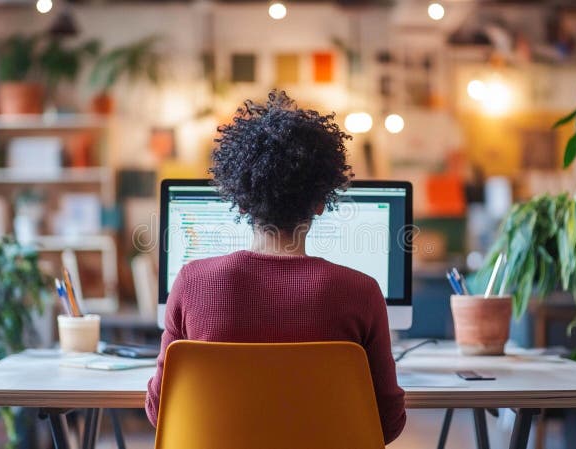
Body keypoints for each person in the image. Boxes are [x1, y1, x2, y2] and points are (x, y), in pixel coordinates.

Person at [146, 90, 406, 444]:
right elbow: (388, 423)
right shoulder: (361, 291)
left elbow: (161, 411)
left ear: (240, 199)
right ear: (320, 203)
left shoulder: (192, 282)